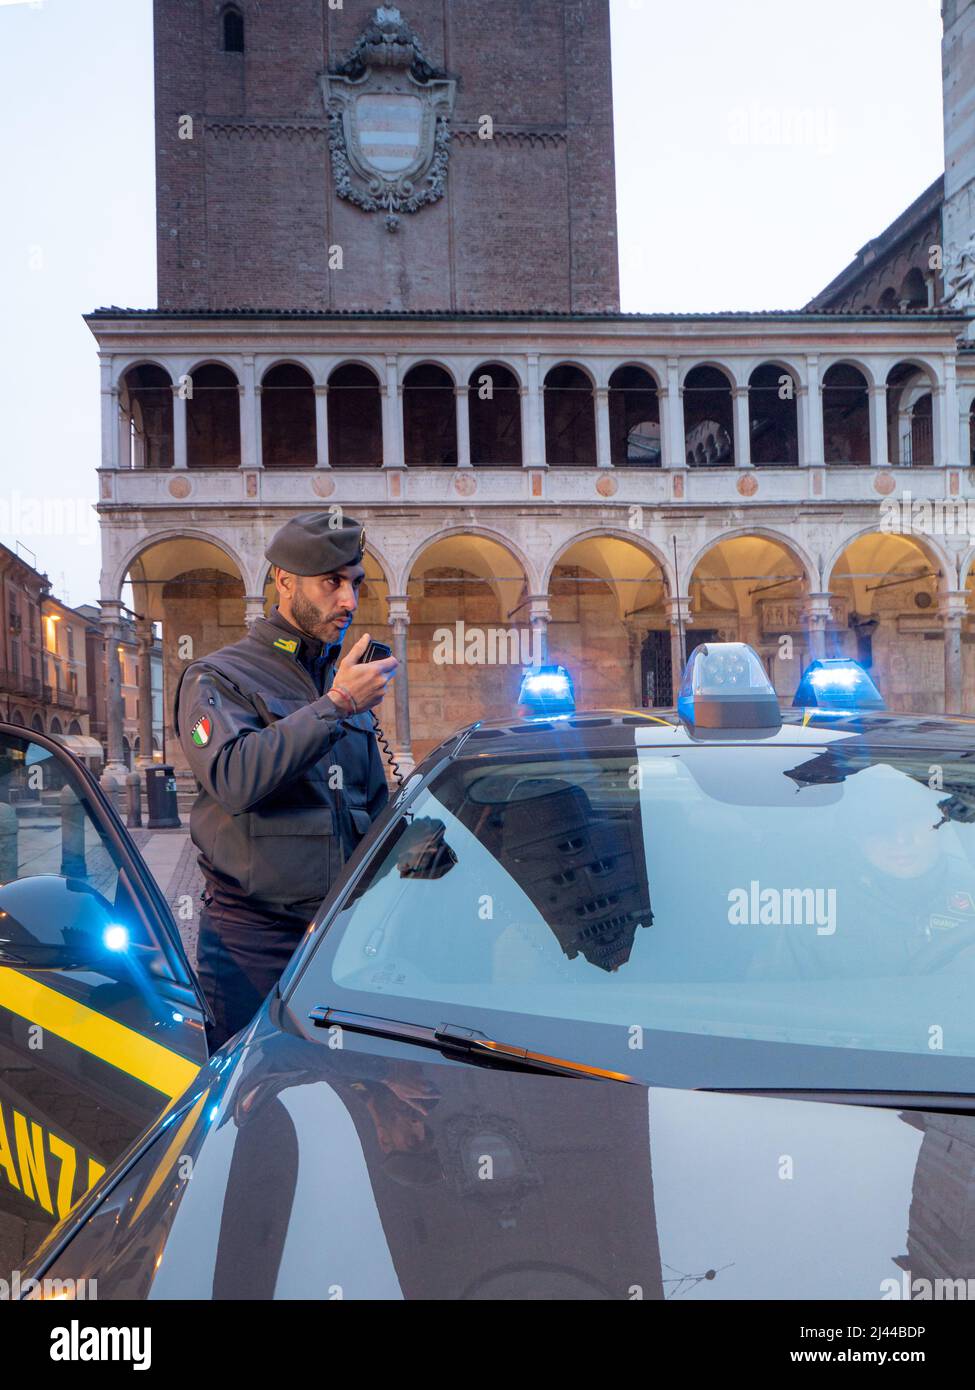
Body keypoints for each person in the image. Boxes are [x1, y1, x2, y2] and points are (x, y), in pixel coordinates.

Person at [175, 512, 398, 1048]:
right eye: (332, 583)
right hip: (253, 946)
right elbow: (234, 776)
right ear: (285, 581)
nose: (348, 600)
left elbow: (368, 800)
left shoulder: (337, 681)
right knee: (252, 1112)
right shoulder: (219, 675)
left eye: (355, 584)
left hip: (340, 941)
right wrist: (338, 705)